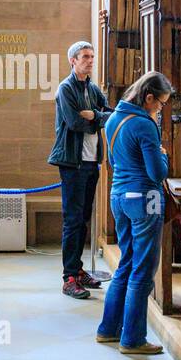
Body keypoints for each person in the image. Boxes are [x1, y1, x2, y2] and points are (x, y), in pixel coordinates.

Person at [97, 71, 173, 355]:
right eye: (161, 103)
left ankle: (108, 329)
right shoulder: (145, 124)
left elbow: (114, 163)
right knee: (143, 269)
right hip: (146, 198)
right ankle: (133, 339)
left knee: (126, 264)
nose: (161, 109)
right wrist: (163, 155)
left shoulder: (113, 119)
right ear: (148, 97)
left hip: (119, 197)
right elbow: (156, 173)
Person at [47, 41, 112, 299]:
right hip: (72, 163)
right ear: (73, 60)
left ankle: (79, 268)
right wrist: (93, 118)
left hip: (91, 161)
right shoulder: (66, 88)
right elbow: (73, 122)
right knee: (72, 220)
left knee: (83, 218)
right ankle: (69, 278)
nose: (90, 60)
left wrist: (92, 115)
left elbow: (111, 115)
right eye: (85, 56)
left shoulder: (93, 89)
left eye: (92, 56)